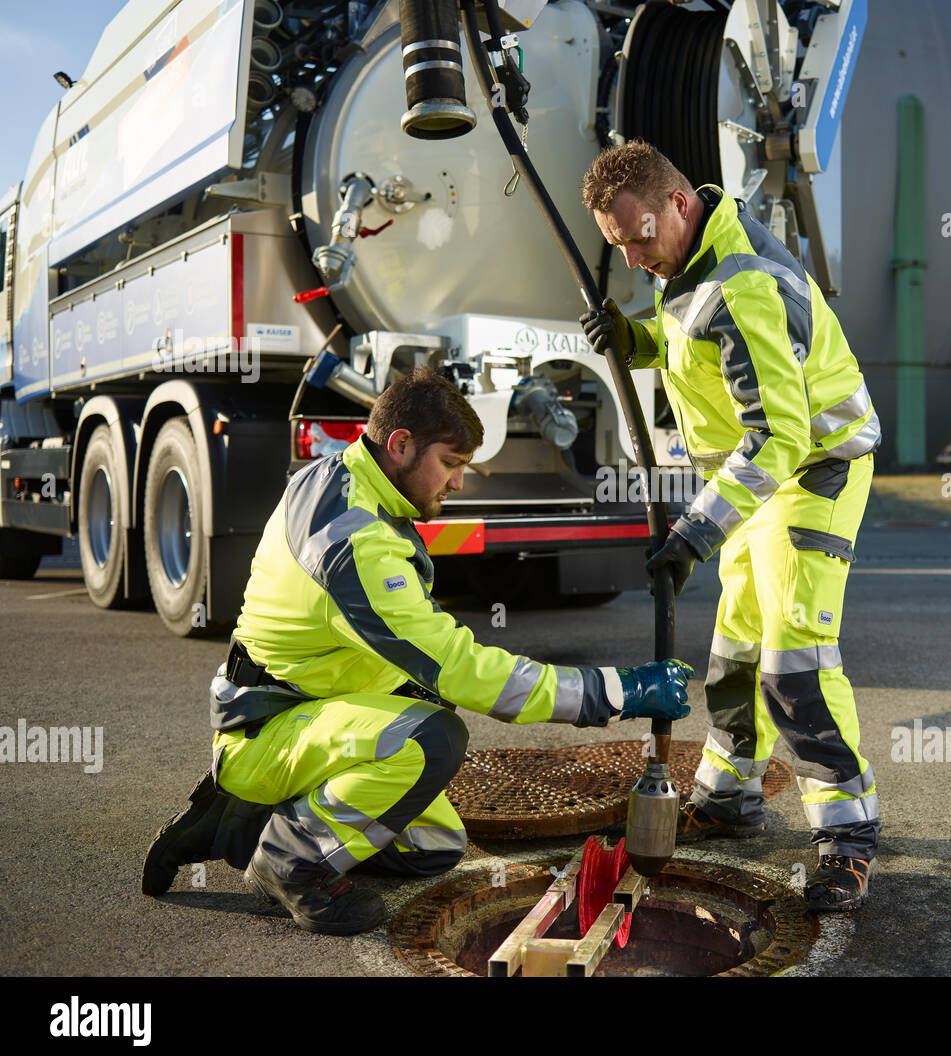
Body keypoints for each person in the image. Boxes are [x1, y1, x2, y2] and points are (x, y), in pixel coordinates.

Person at [141, 367, 693, 935]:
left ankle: (245, 819)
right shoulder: (353, 543)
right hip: (268, 727)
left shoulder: (338, 477)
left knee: (433, 846)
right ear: (400, 445)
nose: (457, 483)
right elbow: (459, 666)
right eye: (450, 464)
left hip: (298, 708)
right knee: (433, 736)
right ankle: (288, 860)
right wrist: (617, 690)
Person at [579, 141, 883, 912]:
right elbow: (696, 350)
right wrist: (634, 339)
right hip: (754, 481)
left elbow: (779, 435)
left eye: (641, 236)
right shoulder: (689, 263)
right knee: (735, 655)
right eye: (620, 248)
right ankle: (727, 796)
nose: (637, 258)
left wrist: (693, 533)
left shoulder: (739, 284)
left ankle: (846, 839)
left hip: (811, 469)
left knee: (794, 665)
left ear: (679, 202)